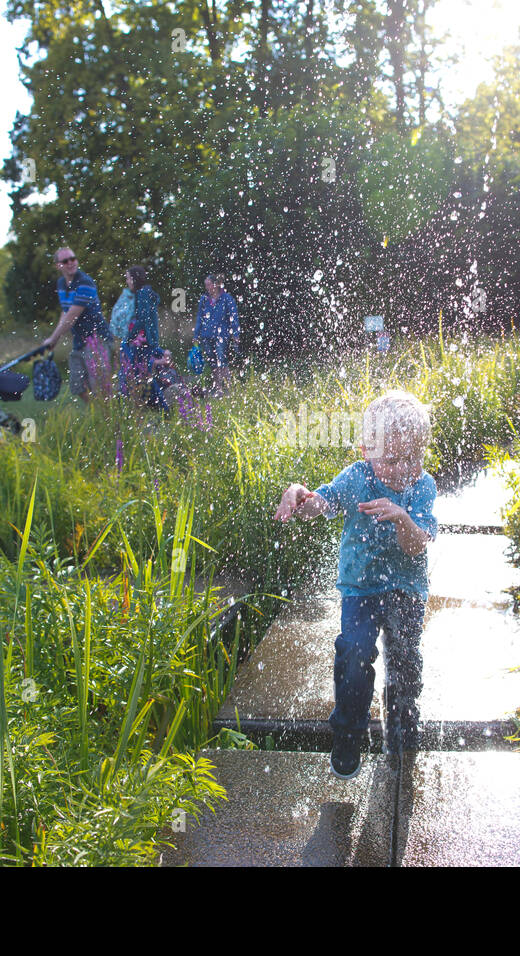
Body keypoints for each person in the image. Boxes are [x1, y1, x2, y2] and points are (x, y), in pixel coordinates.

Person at [274, 390, 438, 779]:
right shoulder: (357, 477)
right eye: (394, 460)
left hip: (406, 589)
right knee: (353, 653)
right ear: (367, 450)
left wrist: (402, 517)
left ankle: (402, 730)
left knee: (405, 660)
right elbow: (323, 504)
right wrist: (301, 497)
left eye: (414, 458)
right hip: (360, 590)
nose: (405, 470)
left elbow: (416, 546)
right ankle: (348, 732)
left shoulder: (423, 486)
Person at [44, 247, 113, 401]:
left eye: (73, 259)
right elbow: (65, 312)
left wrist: (54, 338)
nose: (71, 263)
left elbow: (72, 316)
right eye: (65, 261)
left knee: (101, 387)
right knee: (78, 385)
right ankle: (97, 415)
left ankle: (109, 419)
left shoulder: (85, 282)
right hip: (79, 342)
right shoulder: (61, 284)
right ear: (58, 265)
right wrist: (53, 339)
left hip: (97, 339)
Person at [193, 274, 239, 394]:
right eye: (206, 285)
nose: (207, 287)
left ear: (216, 284)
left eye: (209, 284)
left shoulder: (226, 298)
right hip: (206, 335)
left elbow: (233, 317)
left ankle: (229, 386)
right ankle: (218, 387)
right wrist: (196, 334)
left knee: (222, 360)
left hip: (221, 335)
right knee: (213, 363)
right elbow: (200, 318)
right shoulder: (204, 299)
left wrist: (235, 333)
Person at [120, 265, 160, 397]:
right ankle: (159, 406)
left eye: (128, 278)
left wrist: (129, 337)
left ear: (134, 279)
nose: (127, 282)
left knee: (141, 372)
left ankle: (162, 407)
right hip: (150, 340)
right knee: (144, 373)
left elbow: (142, 319)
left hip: (145, 341)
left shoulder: (142, 293)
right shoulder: (146, 293)